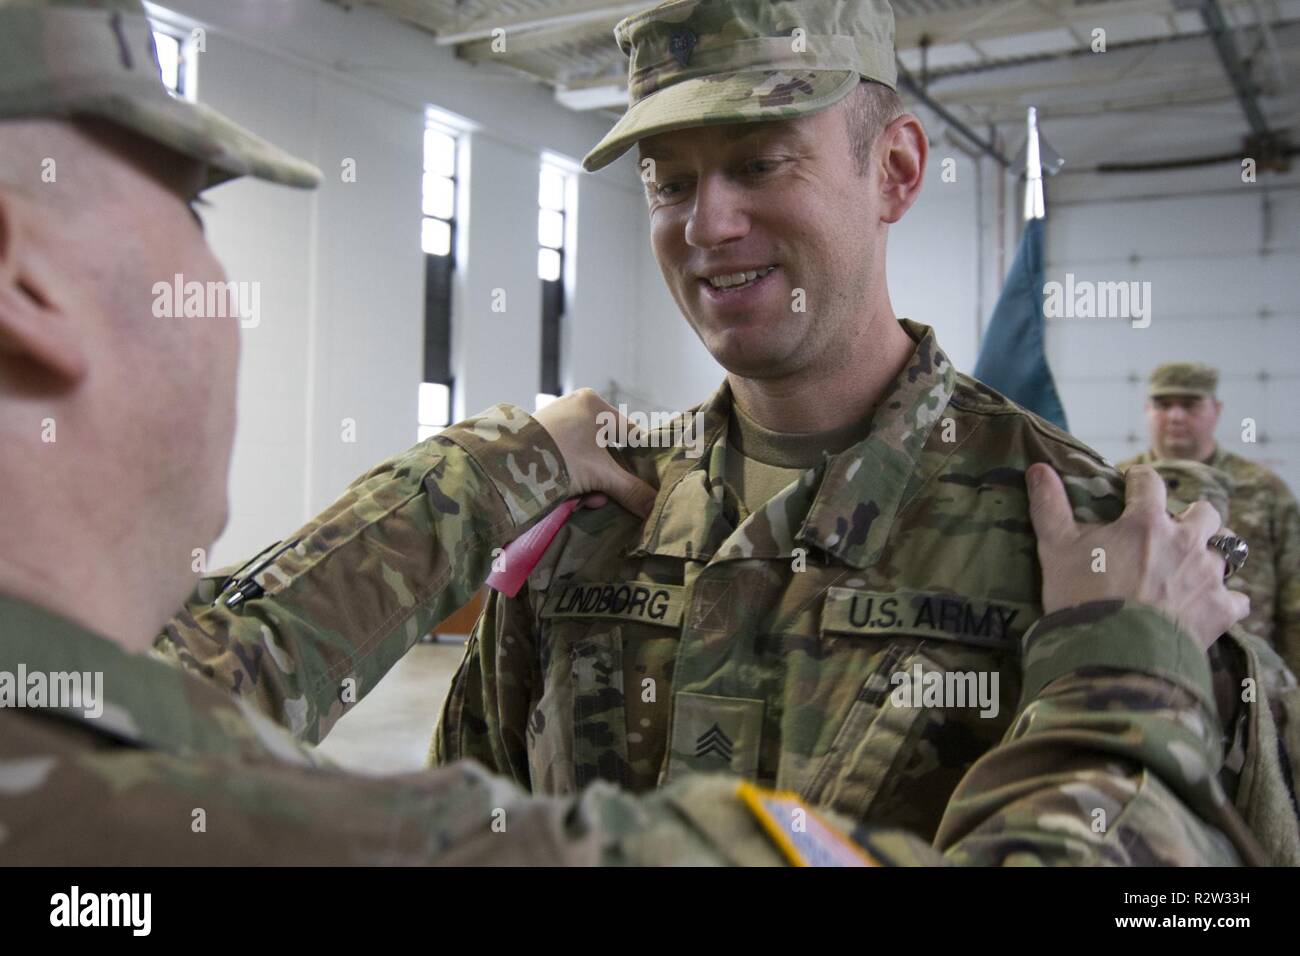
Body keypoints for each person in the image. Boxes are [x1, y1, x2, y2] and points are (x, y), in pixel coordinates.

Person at [1, 0, 1262, 866]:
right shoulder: (587, 521)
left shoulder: (1103, 545)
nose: (707, 223)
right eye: (668, 181)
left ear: (894, 170)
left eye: (760, 161)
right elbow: (482, 784)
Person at [1120, 362, 1300, 675]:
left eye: (1190, 404)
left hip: (1251, 676)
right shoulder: (1119, 484)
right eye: (1163, 404)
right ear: (1147, 410)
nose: (1176, 416)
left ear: (1216, 410)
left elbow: (1294, 599)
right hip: (1145, 669)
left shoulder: (1263, 488)